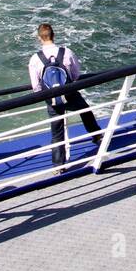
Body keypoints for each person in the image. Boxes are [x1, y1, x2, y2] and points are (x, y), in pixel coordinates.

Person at [27, 23, 103, 165]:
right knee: (85, 111)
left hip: (52, 100)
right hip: (70, 95)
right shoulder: (66, 52)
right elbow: (75, 75)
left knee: (57, 133)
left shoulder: (35, 59)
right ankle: (97, 135)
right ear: (53, 35)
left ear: (39, 38)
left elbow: (36, 87)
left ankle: (58, 165)